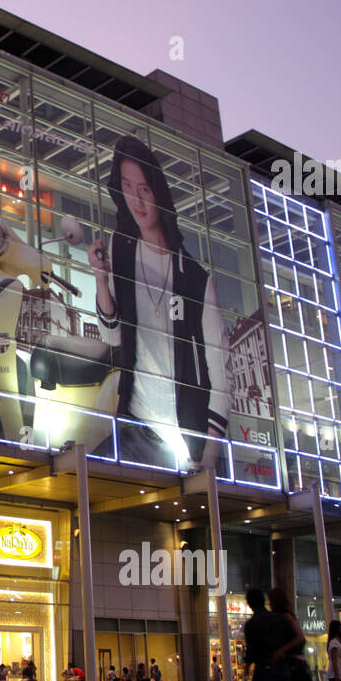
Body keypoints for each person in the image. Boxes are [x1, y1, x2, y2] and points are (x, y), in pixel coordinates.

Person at [91, 133, 232, 470]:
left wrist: (209, 453)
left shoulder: (196, 280)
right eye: (127, 187)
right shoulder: (121, 248)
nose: (136, 201)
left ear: (159, 195)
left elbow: (220, 371)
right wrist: (100, 278)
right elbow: (113, 336)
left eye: (144, 190)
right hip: (135, 421)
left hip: (183, 435)